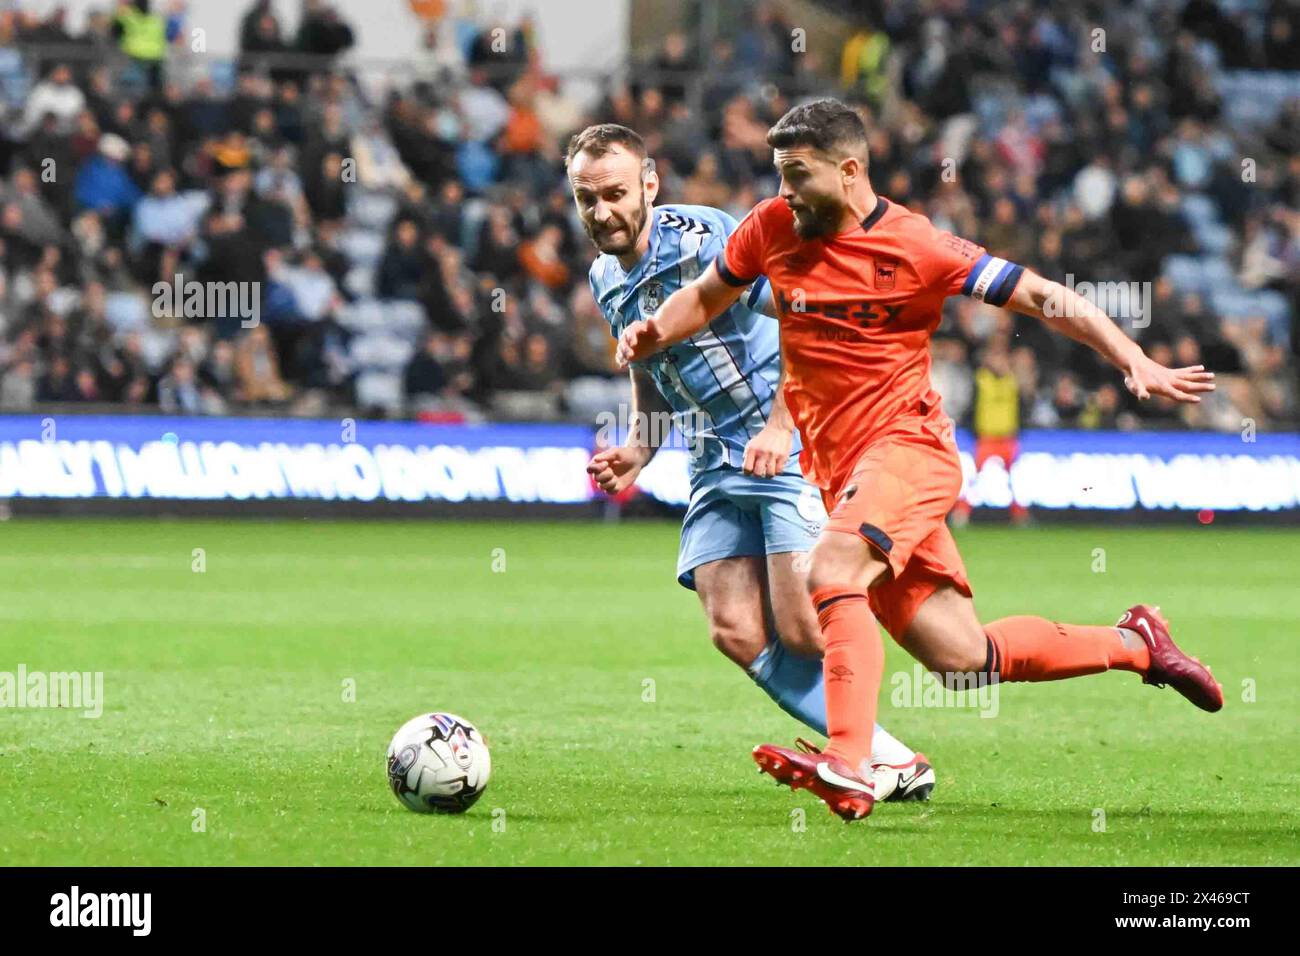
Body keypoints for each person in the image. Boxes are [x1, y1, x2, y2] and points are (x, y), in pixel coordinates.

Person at [618, 99, 1222, 822]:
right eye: (779, 175)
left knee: (831, 570)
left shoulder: (917, 246)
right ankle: (1137, 644)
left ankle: (849, 762)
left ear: (848, 172)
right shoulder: (771, 229)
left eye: (797, 176)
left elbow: (1043, 296)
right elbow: (707, 294)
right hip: (845, 472)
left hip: (908, 450)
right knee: (961, 655)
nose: (783, 193)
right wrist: (655, 329)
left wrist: (1134, 359)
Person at [571, 123, 933, 801]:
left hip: (784, 447)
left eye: (615, 194)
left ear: (649, 184)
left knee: (802, 627)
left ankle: (900, 616)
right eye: (586, 200)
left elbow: (806, 313)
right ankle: (890, 759)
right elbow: (650, 371)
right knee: (735, 630)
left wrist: (778, 425)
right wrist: (638, 449)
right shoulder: (602, 277)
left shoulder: (705, 240)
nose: (602, 213)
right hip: (711, 465)